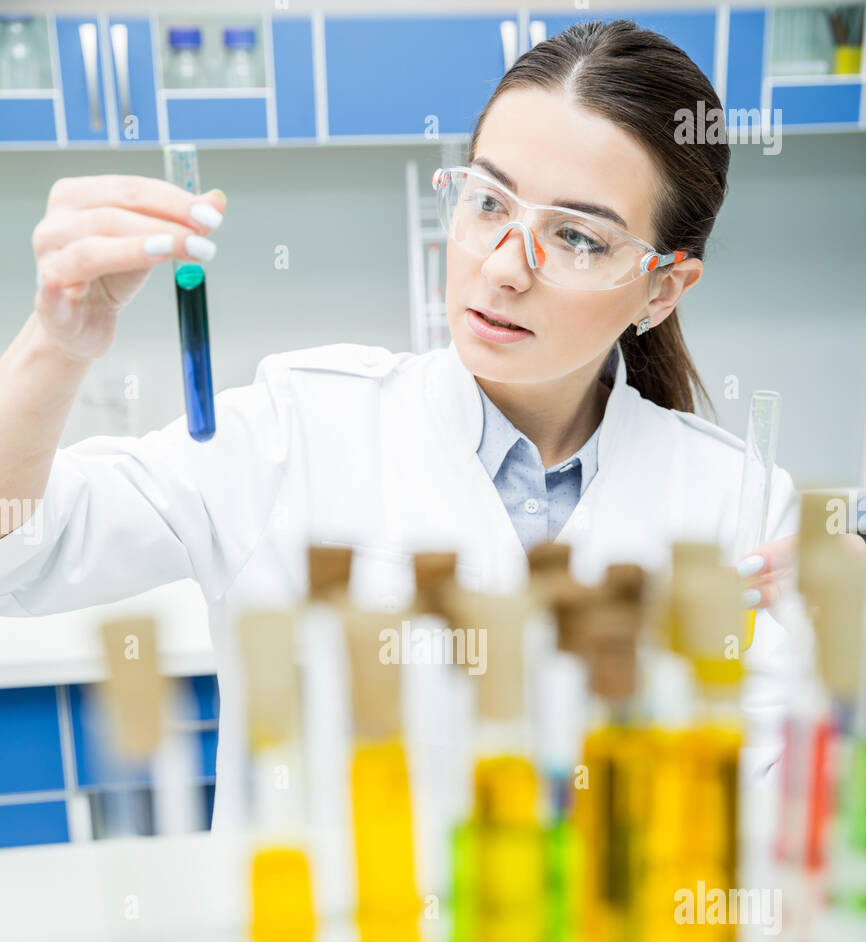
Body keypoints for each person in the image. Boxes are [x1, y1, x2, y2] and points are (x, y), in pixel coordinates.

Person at [0, 19, 800, 832]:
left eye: (576, 237)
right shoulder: (297, 427)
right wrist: (51, 346)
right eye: (489, 201)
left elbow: (780, 819)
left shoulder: (737, 504)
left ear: (662, 289)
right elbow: (26, 554)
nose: (502, 266)